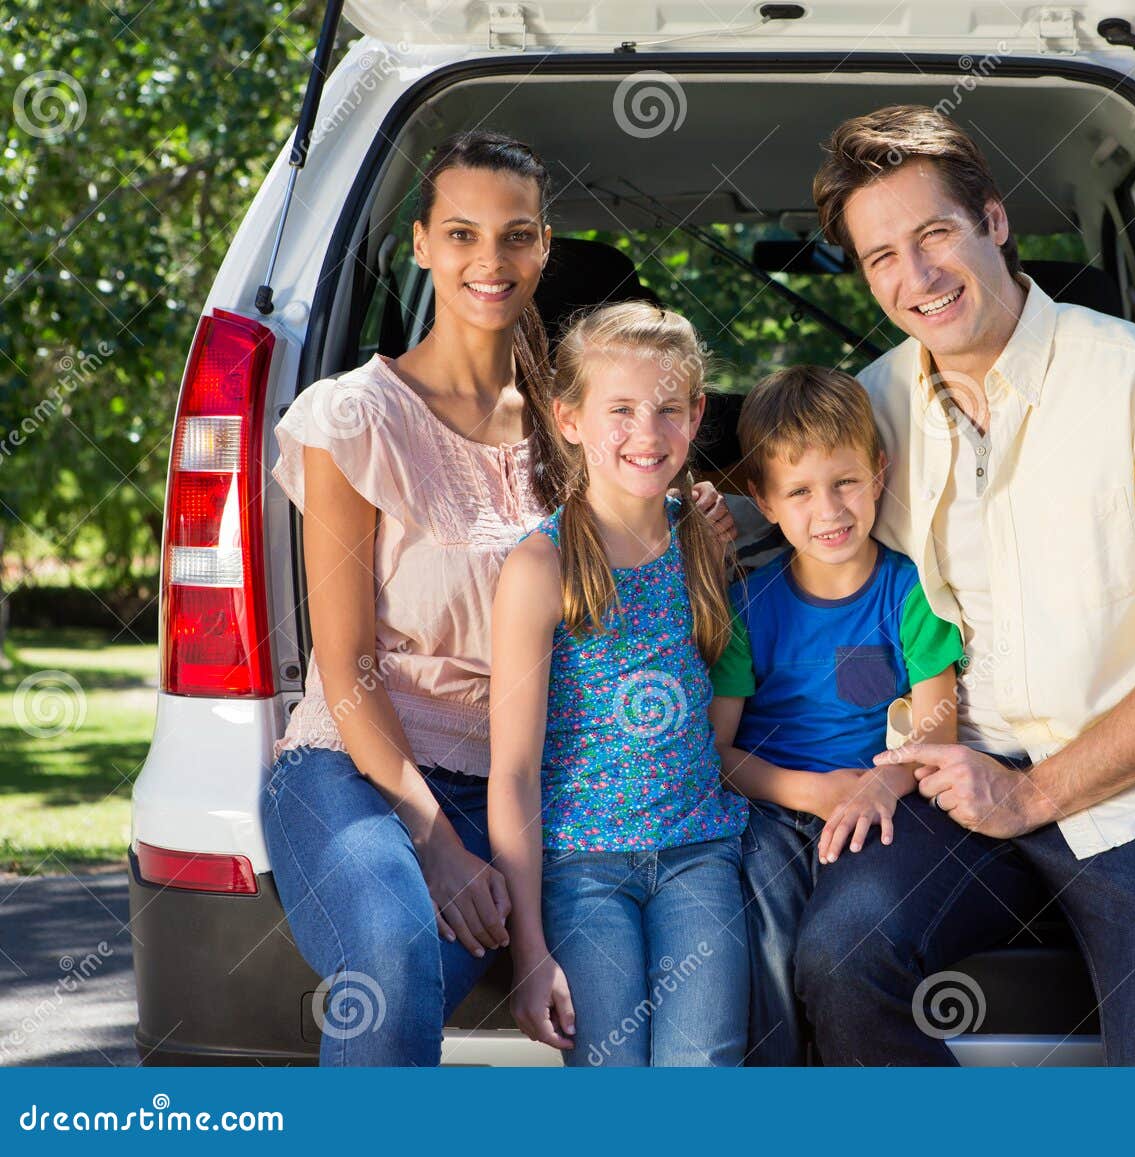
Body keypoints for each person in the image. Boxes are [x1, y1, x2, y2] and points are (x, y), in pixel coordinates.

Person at [787, 105, 1135, 1065]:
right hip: (952, 785)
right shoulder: (876, 406)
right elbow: (830, 564)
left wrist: (1032, 795)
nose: (918, 276)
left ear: (995, 221)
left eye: (935, 233)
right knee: (838, 956)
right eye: (882, 255)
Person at [261, 131, 733, 1066]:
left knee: (445, 968)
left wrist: (694, 518)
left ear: (544, 247)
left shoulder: (576, 425)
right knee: (395, 953)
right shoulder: (354, 417)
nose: (492, 260)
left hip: (525, 790)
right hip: (359, 770)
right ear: (424, 245)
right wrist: (433, 839)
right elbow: (347, 667)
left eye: (516, 235)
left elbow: (641, 544)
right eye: (464, 233)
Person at [488, 301, 750, 1067]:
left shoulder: (704, 534)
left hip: (699, 852)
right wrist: (528, 946)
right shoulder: (542, 567)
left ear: (697, 414)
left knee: (701, 1069)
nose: (648, 432)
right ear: (568, 418)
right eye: (621, 410)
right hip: (581, 867)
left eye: (670, 409)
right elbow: (512, 769)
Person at [706, 365, 965, 1066]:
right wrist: (807, 792)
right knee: (763, 916)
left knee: (853, 933)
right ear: (762, 498)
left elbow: (937, 723)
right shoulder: (750, 606)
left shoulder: (909, 591)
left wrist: (884, 784)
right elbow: (718, 752)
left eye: (845, 481)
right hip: (777, 806)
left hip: (886, 801)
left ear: (879, 473)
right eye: (799, 491)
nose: (830, 510)